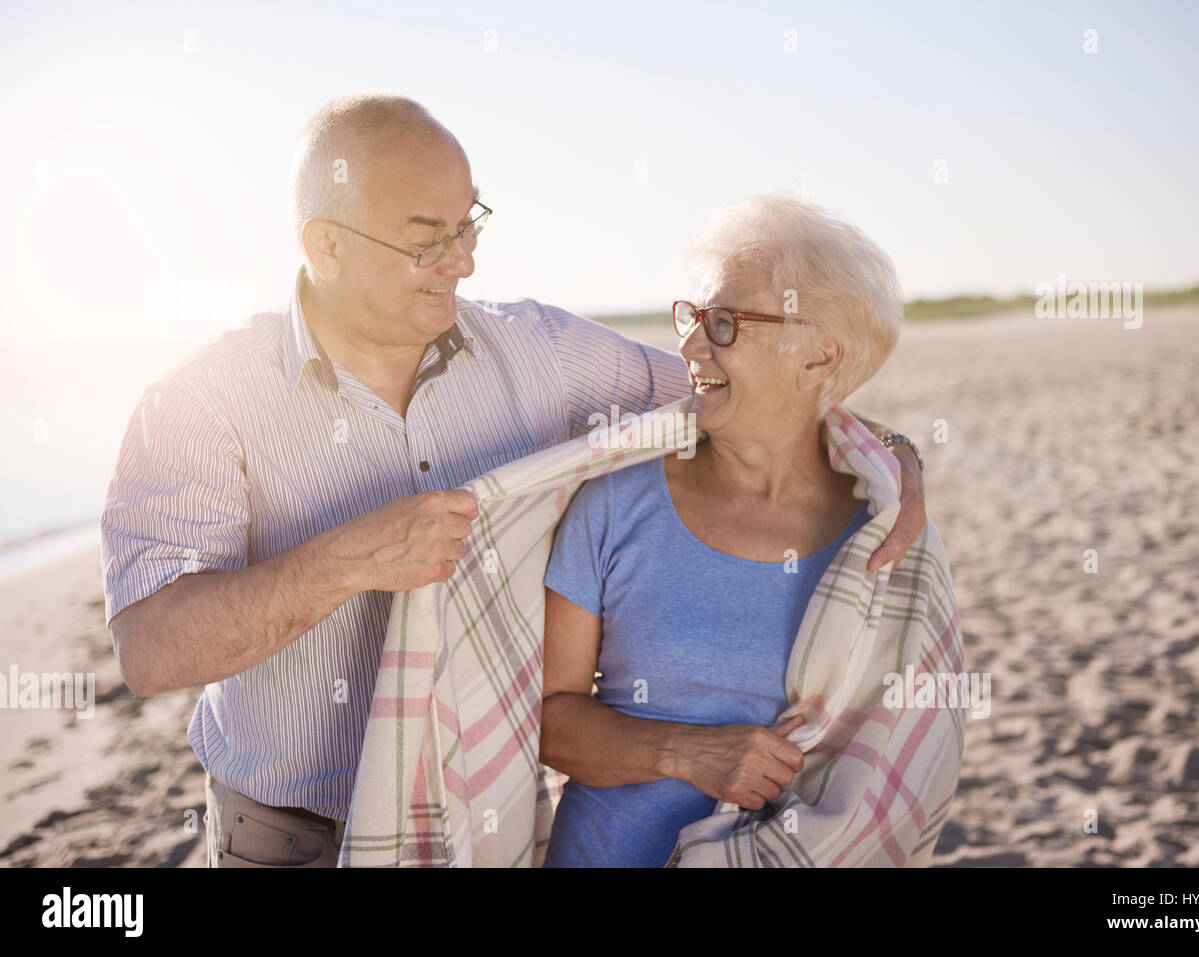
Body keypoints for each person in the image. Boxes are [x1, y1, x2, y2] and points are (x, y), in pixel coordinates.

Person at [102, 93, 929, 868]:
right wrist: (346, 562)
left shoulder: (542, 354)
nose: (462, 261)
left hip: (481, 824)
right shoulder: (201, 400)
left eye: (471, 225)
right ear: (327, 244)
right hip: (288, 839)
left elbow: (742, 395)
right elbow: (150, 650)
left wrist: (889, 451)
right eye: (429, 237)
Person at [539, 194, 957, 866]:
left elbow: (896, 772)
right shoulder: (617, 497)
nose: (691, 343)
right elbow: (548, 718)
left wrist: (902, 449)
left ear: (819, 356)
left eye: (727, 321)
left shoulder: (884, 539)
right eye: (694, 314)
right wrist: (687, 752)